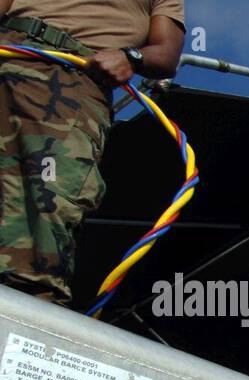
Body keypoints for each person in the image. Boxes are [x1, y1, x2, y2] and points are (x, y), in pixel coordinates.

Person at [0, 0, 185, 306]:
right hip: (9, 51)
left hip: (75, 79)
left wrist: (131, 57)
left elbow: (167, 54)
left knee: (49, 199)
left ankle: (26, 312)